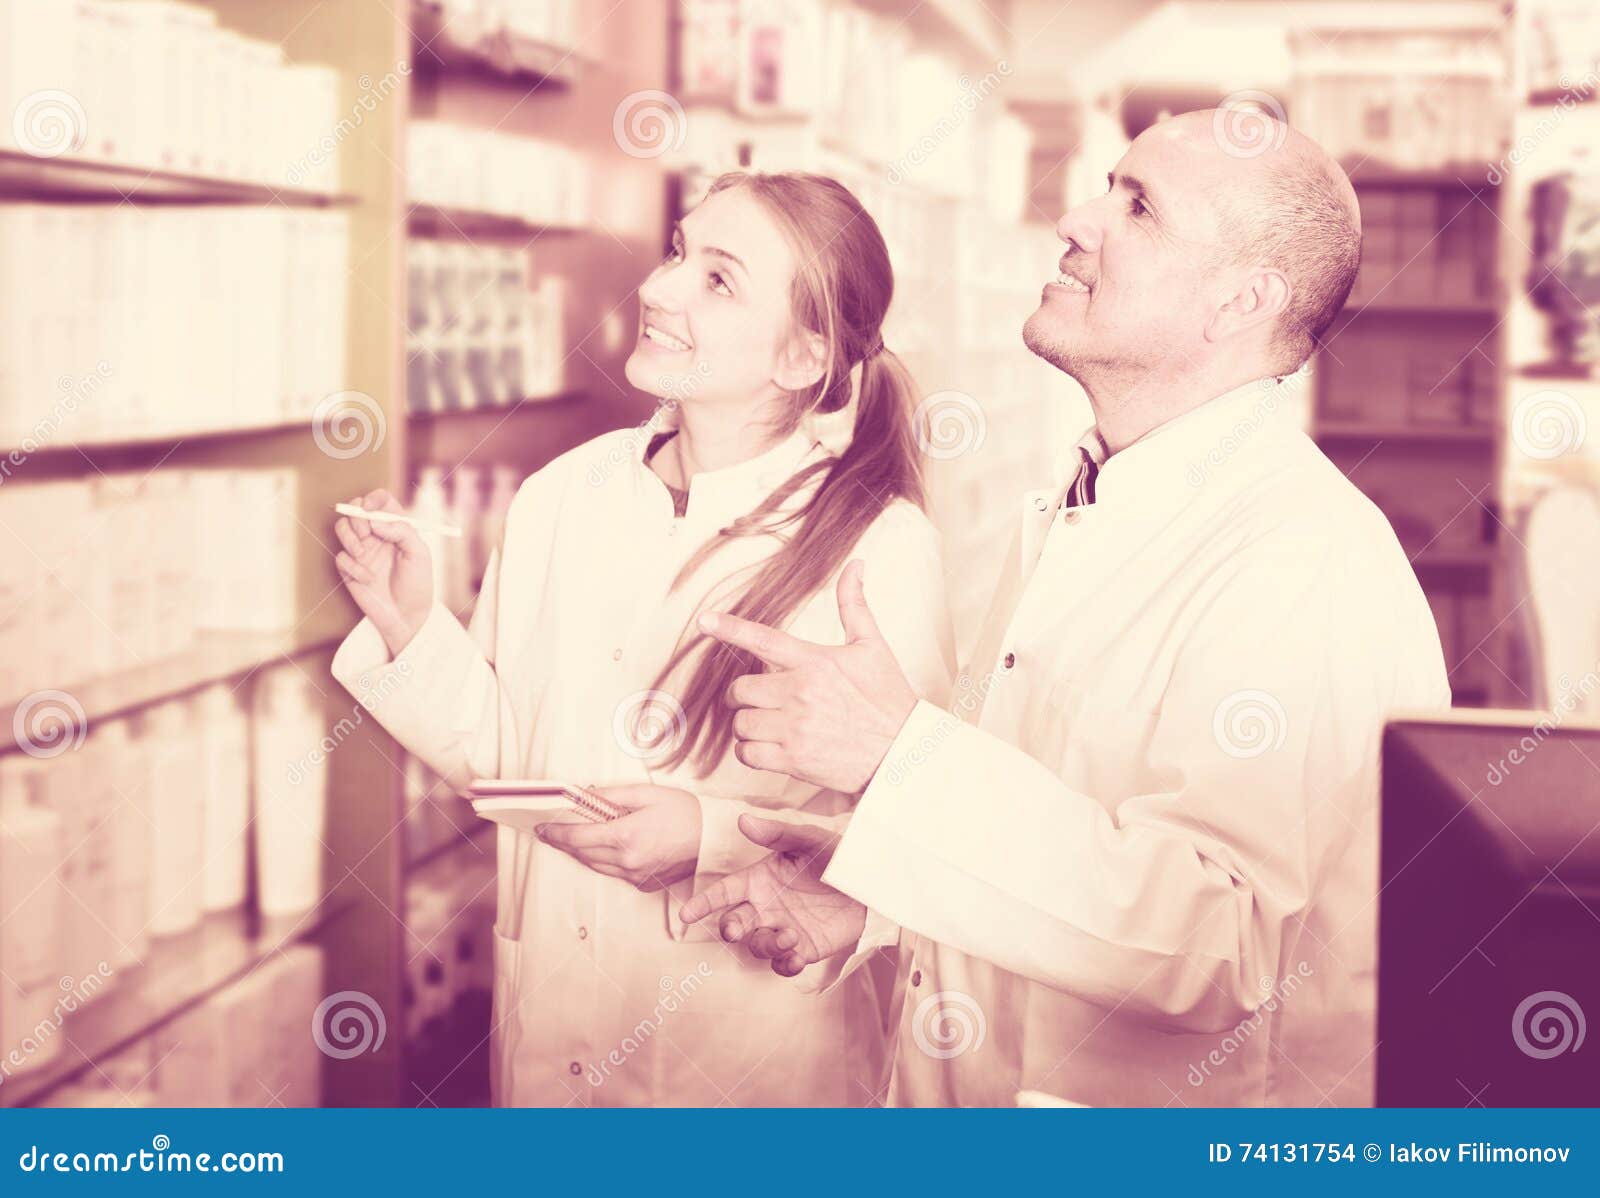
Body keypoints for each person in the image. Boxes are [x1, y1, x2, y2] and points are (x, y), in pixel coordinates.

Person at [680, 110, 1452, 1107]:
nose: (1076, 220)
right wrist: (869, 894)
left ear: (1240, 299)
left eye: (1138, 206)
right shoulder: (1077, 509)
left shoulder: (1300, 558)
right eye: (1105, 186)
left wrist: (894, 759)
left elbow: (1216, 943)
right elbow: (1060, 853)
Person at [328, 171, 954, 1106]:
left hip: (753, 1075)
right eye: (677, 252)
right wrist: (414, 625)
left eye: (719, 279)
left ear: (802, 358)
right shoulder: (559, 496)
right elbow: (511, 767)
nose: (659, 289)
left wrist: (705, 838)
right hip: (553, 1049)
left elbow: (927, 842)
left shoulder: (881, 549)